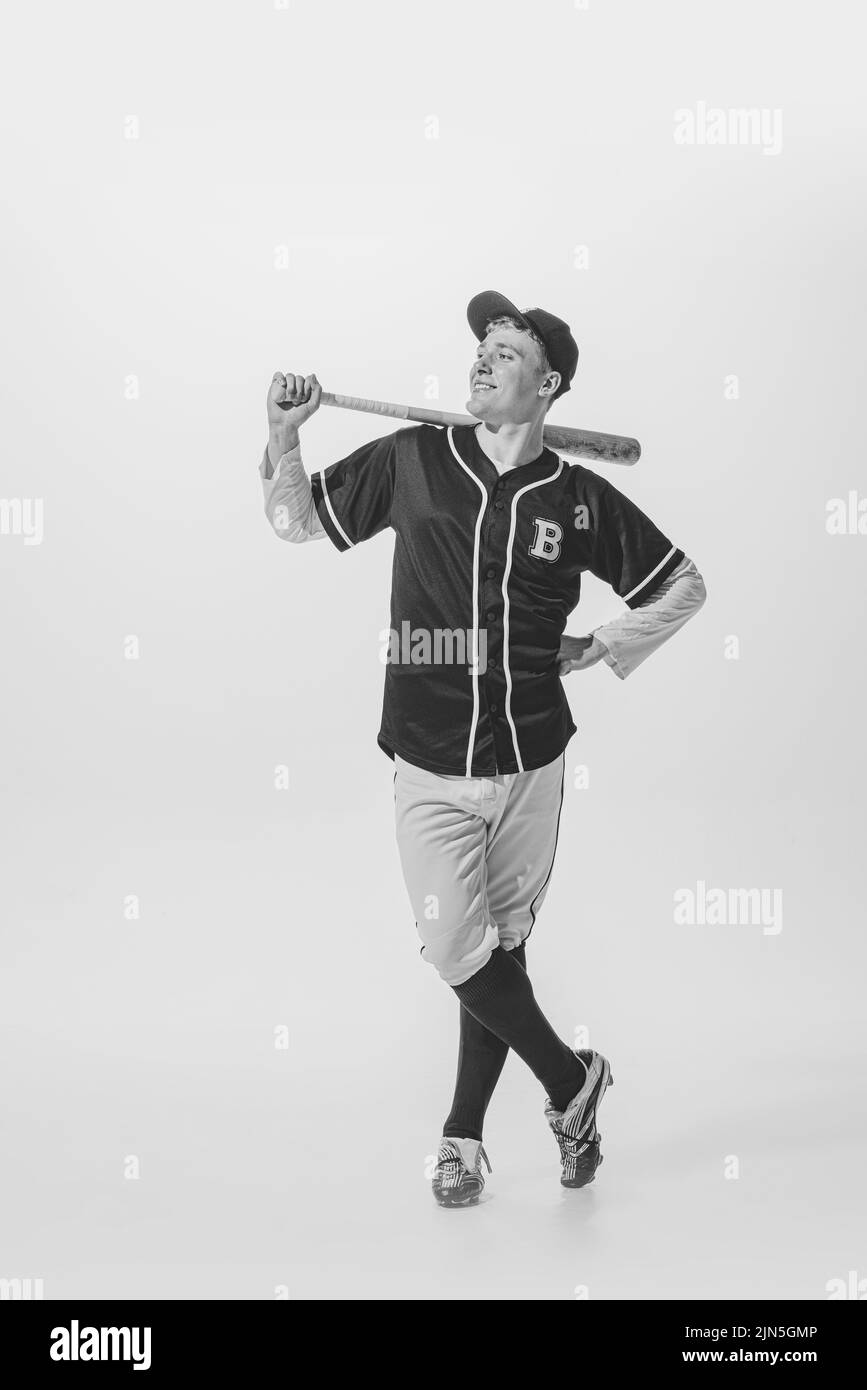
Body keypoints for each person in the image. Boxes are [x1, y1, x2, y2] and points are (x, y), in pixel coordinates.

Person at [258, 290, 707, 1207]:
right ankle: (570, 1082)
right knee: (454, 947)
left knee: (503, 949)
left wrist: (602, 646)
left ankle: (460, 1142)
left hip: (532, 761)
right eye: (479, 348)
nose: (480, 360)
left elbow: (683, 585)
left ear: (547, 386)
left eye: (503, 352)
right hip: (427, 758)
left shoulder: (580, 501)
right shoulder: (414, 459)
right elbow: (293, 521)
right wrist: (282, 433)